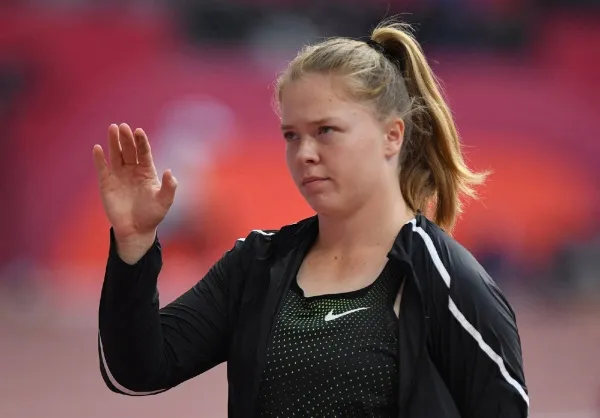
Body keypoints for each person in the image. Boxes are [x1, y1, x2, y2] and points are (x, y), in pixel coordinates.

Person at [93, 20, 528, 418]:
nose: (304, 154)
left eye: (325, 131)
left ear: (392, 135)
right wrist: (134, 243)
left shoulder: (447, 280)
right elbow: (138, 369)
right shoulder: (256, 265)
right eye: (291, 135)